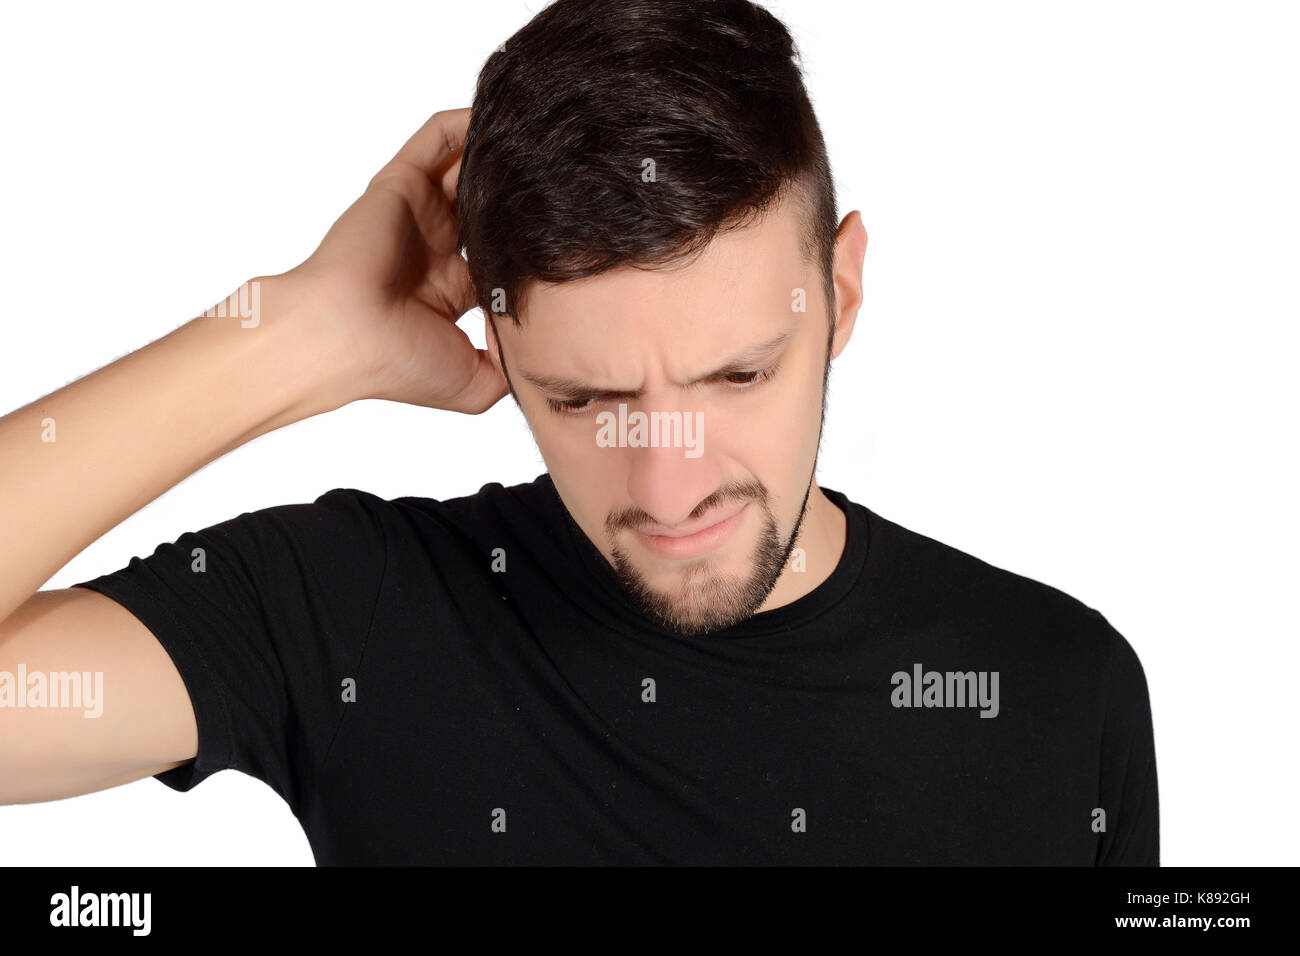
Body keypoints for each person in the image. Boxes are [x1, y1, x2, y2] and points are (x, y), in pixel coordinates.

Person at [0, 0, 1157, 864]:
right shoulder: (354, 612)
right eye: (584, 399)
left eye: (739, 372)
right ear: (498, 348)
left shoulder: (1056, 686)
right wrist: (299, 332)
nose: (668, 485)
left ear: (840, 295)